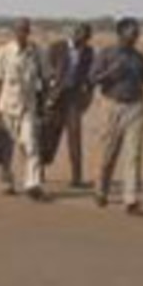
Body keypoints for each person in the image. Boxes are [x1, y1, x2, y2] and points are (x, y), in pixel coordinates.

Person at [90, 17, 143, 214]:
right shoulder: (106, 54)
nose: (136, 35)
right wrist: (110, 73)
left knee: (134, 154)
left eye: (137, 32)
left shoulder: (140, 57)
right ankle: (101, 190)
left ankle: (130, 199)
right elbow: (92, 79)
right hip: (112, 105)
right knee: (108, 152)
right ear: (121, 33)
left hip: (135, 106)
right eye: (133, 32)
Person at [0, 18, 47, 201]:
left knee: (31, 144)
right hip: (6, 106)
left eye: (25, 30)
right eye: (19, 30)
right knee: (7, 148)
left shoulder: (38, 52)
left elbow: (45, 79)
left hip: (28, 106)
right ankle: (7, 182)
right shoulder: (3, 52)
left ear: (29, 32)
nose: (22, 33)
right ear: (14, 32)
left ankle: (32, 184)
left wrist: (44, 104)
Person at [42, 23, 95, 187]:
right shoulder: (57, 47)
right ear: (74, 34)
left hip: (74, 98)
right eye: (82, 36)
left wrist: (88, 96)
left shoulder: (89, 52)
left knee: (75, 138)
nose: (84, 40)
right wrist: (50, 89)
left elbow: (90, 76)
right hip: (56, 98)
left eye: (87, 37)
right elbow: (46, 70)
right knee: (49, 135)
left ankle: (76, 178)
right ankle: (39, 170)